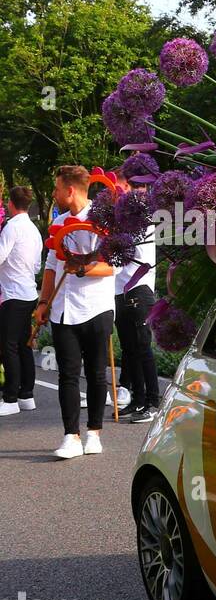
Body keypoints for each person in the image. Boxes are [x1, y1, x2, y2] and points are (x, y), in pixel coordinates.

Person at [32, 166, 118, 459]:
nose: (54, 194)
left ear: (70, 190)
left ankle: (94, 432)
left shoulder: (104, 219)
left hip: (96, 307)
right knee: (67, 374)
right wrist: (43, 303)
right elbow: (51, 267)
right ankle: (71, 435)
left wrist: (81, 268)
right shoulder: (58, 222)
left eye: (56, 189)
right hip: (62, 310)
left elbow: (112, 266)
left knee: (95, 373)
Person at [113, 203, 160, 423]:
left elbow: (141, 256)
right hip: (119, 291)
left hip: (139, 290)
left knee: (142, 349)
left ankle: (153, 402)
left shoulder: (143, 220)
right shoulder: (119, 222)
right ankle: (137, 399)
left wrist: (117, 243)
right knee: (128, 350)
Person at [0, 185, 43, 416]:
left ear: (11, 203)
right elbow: (37, 266)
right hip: (28, 292)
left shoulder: (12, 227)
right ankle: (27, 394)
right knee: (24, 344)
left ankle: (10, 398)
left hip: (13, 293)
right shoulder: (34, 231)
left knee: (8, 345)